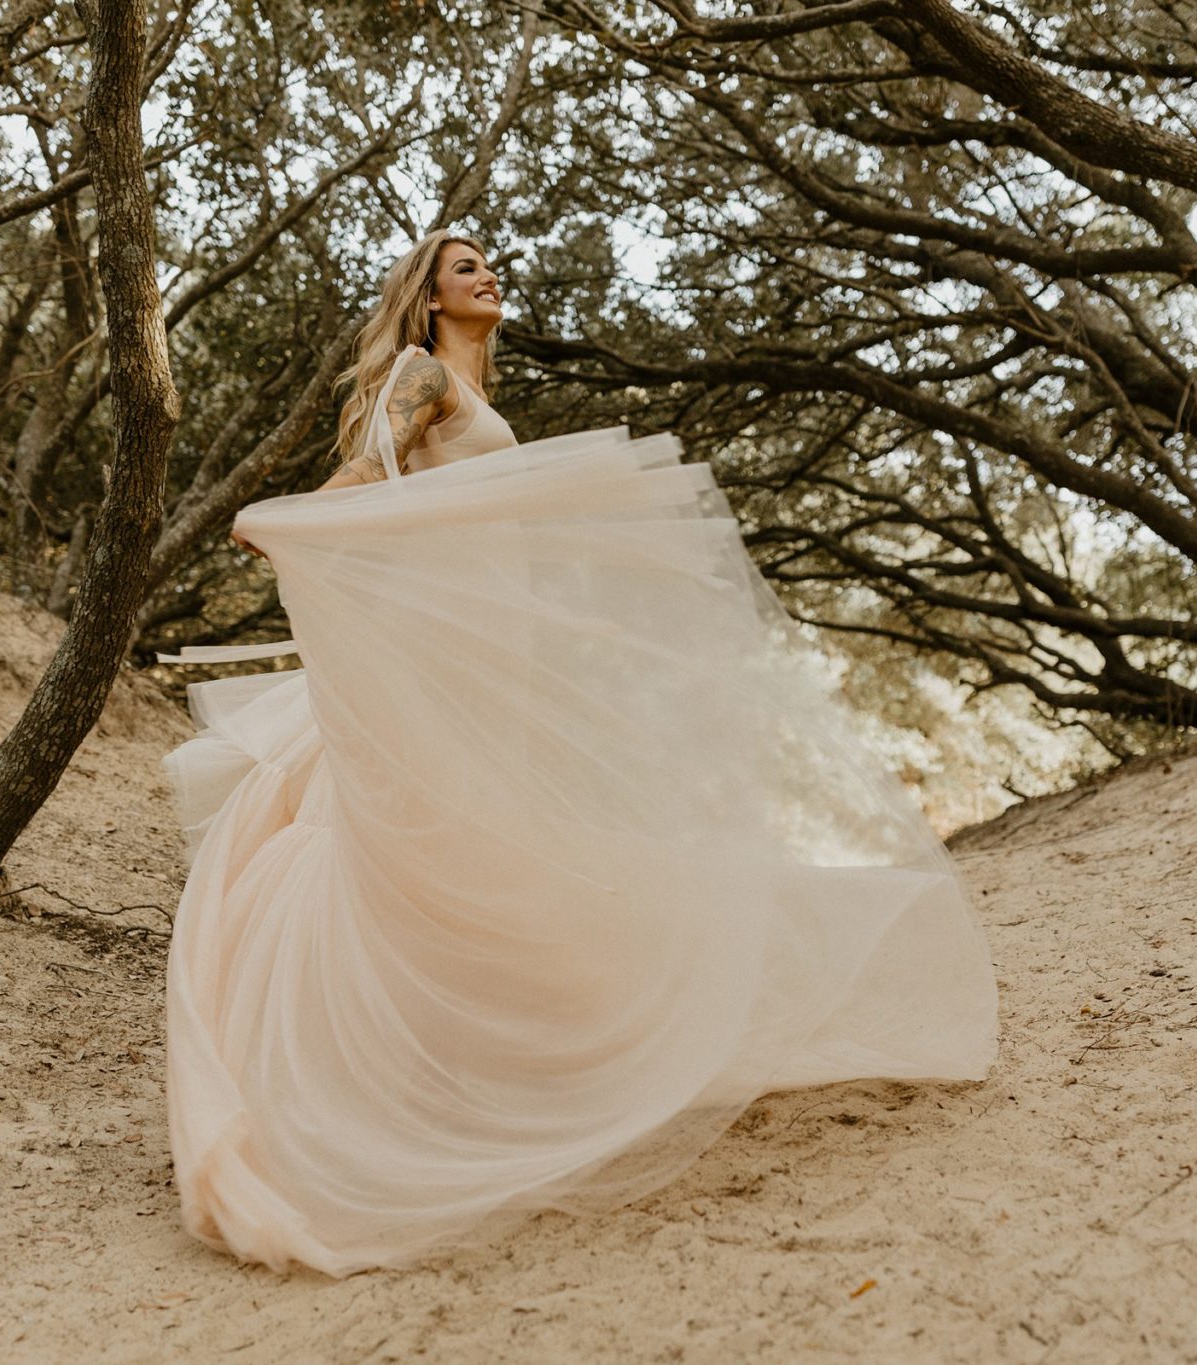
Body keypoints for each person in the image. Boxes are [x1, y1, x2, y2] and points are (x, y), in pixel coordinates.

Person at [158, 228, 999, 1278]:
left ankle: (486, 1052)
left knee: (489, 839)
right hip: (450, 652)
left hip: (491, 649)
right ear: (427, 298)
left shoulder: (467, 387)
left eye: (486, 265)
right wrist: (279, 522)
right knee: (437, 837)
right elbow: (366, 476)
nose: (485, 274)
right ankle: (395, 1083)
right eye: (463, 268)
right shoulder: (421, 375)